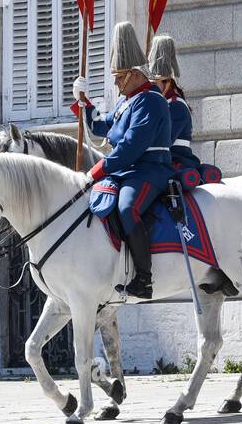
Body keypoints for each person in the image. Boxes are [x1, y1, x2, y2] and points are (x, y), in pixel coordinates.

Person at [72, 21, 173, 299]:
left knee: (128, 207)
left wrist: (97, 169)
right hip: (127, 171)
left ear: (132, 74)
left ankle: (144, 278)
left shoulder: (151, 101)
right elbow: (102, 126)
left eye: (118, 76)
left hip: (149, 170)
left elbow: (130, 147)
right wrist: (85, 102)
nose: (115, 82)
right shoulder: (127, 101)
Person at [145, 34, 204, 186]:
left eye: (155, 84)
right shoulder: (160, 103)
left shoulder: (175, 106)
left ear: (167, 83)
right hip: (160, 162)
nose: (151, 88)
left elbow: (164, 142)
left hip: (177, 162)